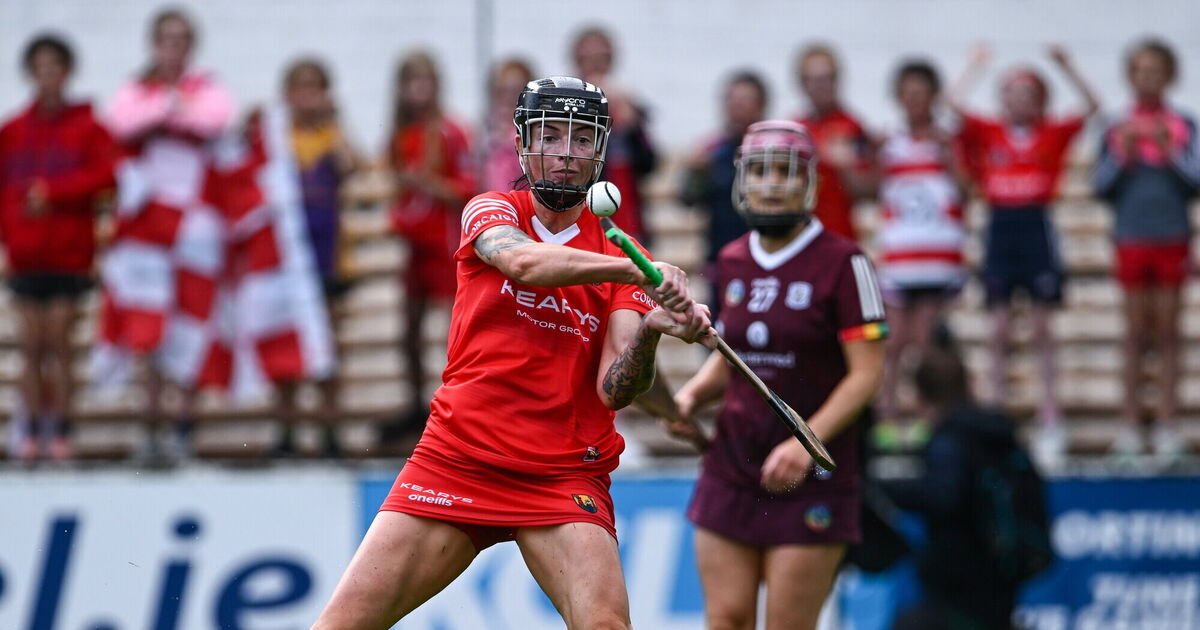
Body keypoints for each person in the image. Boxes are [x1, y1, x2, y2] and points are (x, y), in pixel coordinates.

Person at [310, 76, 711, 630]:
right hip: (458, 456)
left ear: (600, 151)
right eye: (549, 136)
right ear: (523, 144)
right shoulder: (493, 212)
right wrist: (636, 270)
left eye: (581, 139)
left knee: (606, 626)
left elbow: (615, 387)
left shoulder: (626, 258)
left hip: (563, 473)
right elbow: (527, 265)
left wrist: (651, 331)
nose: (565, 154)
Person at [674, 120, 887, 630]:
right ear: (743, 180)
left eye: (785, 172)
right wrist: (688, 398)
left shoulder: (846, 262)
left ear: (809, 182)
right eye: (761, 171)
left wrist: (802, 442)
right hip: (732, 465)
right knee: (725, 620)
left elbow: (867, 376)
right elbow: (735, 357)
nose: (772, 184)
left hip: (809, 474)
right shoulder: (731, 259)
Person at [951, 44, 1099, 466]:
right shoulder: (990, 132)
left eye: (1028, 94)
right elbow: (951, 104)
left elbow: (1092, 106)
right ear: (1003, 100)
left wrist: (1067, 64)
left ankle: (1049, 414)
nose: (1019, 102)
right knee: (997, 329)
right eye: (1011, 94)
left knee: (1041, 327)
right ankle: (995, 412)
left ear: (1040, 101)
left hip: (1036, 228)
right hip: (1001, 230)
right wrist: (974, 65)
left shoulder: (1052, 134)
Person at [97, 7, 235, 459]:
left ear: (190, 46)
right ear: (153, 45)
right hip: (147, 228)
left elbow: (216, 120)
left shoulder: (206, 87)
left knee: (192, 322)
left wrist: (163, 113)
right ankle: (150, 422)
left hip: (196, 225)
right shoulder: (135, 89)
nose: (173, 49)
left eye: (181, 40)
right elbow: (121, 123)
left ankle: (183, 424)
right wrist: (173, 109)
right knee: (147, 325)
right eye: (165, 40)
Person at [883, 327, 1051, 630]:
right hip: (1003, 579)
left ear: (920, 396)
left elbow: (943, 495)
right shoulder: (998, 433)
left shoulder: (950, 439)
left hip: (958, 587)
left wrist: (884, 489)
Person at [0, 34, 117, 460]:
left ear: (67, 73)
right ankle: (32, 430)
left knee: (60, 343)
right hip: (27, 253)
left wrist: (56, 192)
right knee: (31, 346)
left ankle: (64, 429)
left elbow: (107, 176)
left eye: (55, 67)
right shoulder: (13, 131)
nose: (48, 76)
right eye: (40, 68)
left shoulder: (89, 128)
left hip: (68, 253)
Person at [1094, 39, 1199, 461]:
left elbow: (1195, 180)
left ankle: (1169, 425)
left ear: (1170, 76)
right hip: (1131, 238)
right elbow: (1099, 186)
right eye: (1141, 71)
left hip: (1171, 237)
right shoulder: (1116, 128)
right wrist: (1126, 155)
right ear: (1130, 77)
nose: (1148, 79)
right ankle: (1132, 425)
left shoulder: (1184, 125)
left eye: (1156, 71)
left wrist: (1169, 150)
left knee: (1168, 334)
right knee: (1136, 334)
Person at [377, 51, 477, 449]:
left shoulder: (452, 133)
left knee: (451, 331)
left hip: (445, 246)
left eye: (425, 81)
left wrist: (427, 184)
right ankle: (418, 408)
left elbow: (469, 189)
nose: (418, 91)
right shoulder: (401, 136)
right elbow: (399, 191)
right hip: (414, 248)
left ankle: (458, 405)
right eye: (411, 82)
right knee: (409, 331)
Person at [870, 60, 969, 451]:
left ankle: (928, 417)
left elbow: (965, 190)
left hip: (937, 257)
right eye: (907, 93)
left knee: (926, 343)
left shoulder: (948, 141)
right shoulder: (889, 143)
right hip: (899, 257)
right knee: (892, 343)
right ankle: (888, 416)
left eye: (921, 93)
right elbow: (873, 188)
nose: (914, 101)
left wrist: (950, 157)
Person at [273, 57, 362, 456]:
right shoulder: (279, 137)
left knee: (327, 347)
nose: (308, 98)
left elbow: (351, 164)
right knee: (286, 346)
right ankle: (286, 430)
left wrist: (334, 123)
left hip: (327, 257)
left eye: (316, 89)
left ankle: (330, 432)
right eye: (301, 90)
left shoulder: (331, 136)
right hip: (288, 258)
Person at [680, 70, 769, 315]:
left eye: (745, 101)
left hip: (764, 259)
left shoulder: (772, 154)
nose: (737, 107)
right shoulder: (713, 151)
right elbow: (686, 199)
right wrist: (697, 173)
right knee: (718, 327)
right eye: (732, 100)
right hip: (721, 260)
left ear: (761, 106)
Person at [571, 26, 658, 243]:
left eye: (602, 58)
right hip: (581, 217)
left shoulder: (625, 103)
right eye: (589, 58)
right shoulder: (566, 107)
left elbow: (649, 164)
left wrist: (630, 125)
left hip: (627, 216)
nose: (596, 65)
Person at [794, 44, 873, 241]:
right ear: (802, 84)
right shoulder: (794, 130)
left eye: (825, 79)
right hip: (799, 237)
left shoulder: (853, 127)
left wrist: (846, 167)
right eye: (812, 79)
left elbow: (870, 191)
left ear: (836, 81)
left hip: (840, 236)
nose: (819, 86)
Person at [480, 58, 534, 192]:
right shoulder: (485, 136)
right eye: (501, 91)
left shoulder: (535, 136)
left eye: (516, 91)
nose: (508, 98)